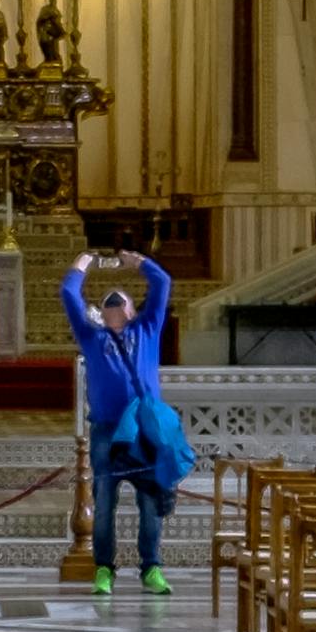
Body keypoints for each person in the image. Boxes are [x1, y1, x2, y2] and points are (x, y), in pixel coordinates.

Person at [71, 248, 186, 599]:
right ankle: (104, 568)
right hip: (108, 431)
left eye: (120, 305)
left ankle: (151, 567)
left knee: (150, 502)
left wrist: (136, 262)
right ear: (102, 316)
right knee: (104, 502)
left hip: (145, 430)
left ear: (132, 310)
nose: (115, 309)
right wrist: (82, 265)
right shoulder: (93, 338)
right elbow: (67, 294)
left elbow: (162, 281)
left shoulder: (147, 329)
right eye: (109, 306)